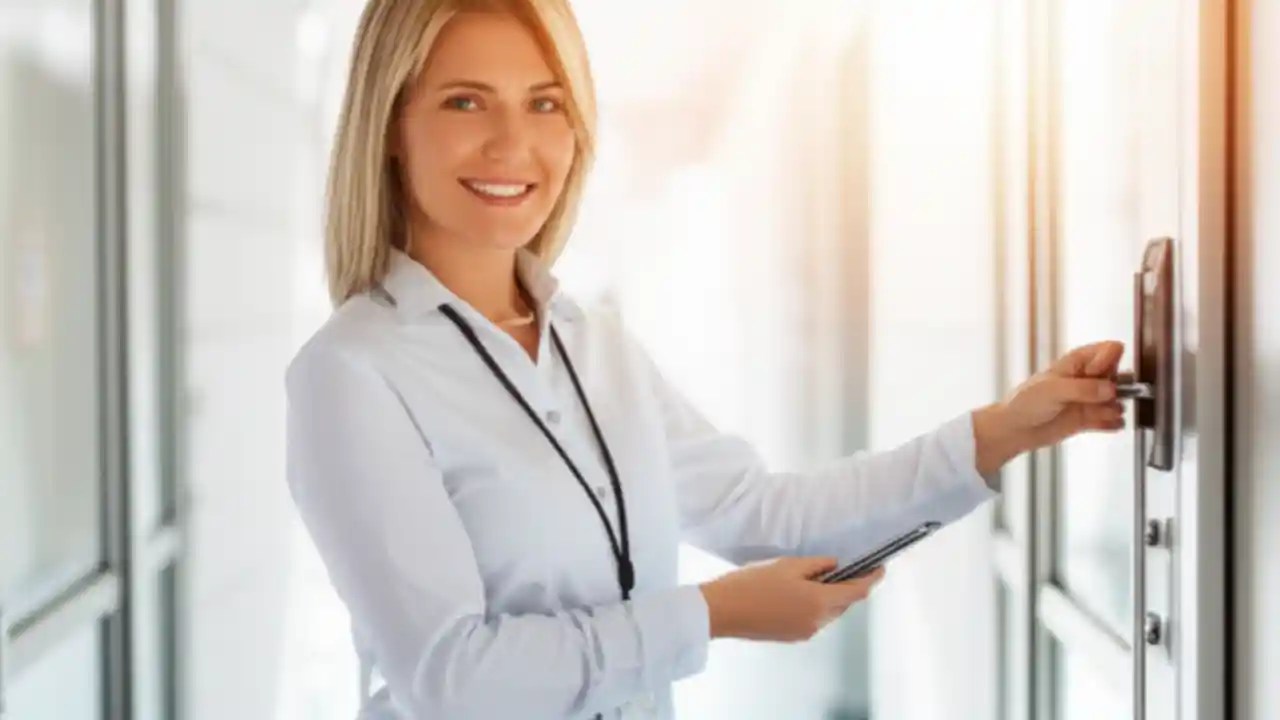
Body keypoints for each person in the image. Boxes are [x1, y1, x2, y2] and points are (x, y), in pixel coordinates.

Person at [284, 1, 1128, 718]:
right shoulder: (353, 373)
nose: (514, 143)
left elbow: (764, 514)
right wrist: (710, 617)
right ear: (391, 126)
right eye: (466, 103)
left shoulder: (594, 344)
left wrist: (1002, 433)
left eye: (544, 104)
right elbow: (451, 678)